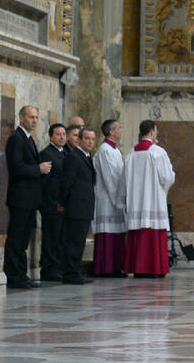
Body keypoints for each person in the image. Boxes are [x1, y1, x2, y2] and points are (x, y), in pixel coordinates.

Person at [4, 105, 51, 289]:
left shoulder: (28, 139)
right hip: (20, 198)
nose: (34, 121)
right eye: (31, 117)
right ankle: (14, 276)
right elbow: (16, 166)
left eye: (36, 117)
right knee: (16, 238)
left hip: (30, 199)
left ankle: (21, 275)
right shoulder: (16, 138)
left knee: (23, 239)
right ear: (21, 118)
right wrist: (38, 169)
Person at [124, 120, 176, 277]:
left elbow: (125, 179)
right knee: (153, 233)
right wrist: (165, 187)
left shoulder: (131, 153)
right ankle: (154, 269)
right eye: (156, 131)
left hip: (136, 202)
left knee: (138, 233)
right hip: (153, 200)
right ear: (152, 132)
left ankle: (138, 269)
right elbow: (167, 178)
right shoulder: (158, 152)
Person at [59, 126, 96, 284]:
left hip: (84, 207)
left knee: (79, 241)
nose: (90, 142)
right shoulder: (74, 156)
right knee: (73, 241)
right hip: (76, 207)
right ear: (79, 140)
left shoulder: (87, 156)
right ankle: (70, 272)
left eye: (93, 139)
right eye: (87, 138)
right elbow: (67, 182)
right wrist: (63, 202)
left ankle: (75, 270)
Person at [93, 119, 128, 277]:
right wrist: (119, 199)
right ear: (111, 132)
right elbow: (110, 178)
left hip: (116, 198)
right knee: (108, 234)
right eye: (119, 128)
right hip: (108, 199)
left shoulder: (115, 150)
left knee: (117, 235)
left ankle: (116, 267)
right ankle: (107, 268)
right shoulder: (105, 151)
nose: (121, 130)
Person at [38, 123, 69, 282]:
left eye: (64, 134)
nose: (62, 137)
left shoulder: (65, 153)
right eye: (58, 134)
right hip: (52, 203)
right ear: (51, 137)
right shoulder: (47, 154)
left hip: (64, 203)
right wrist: (53, 202)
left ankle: (59, 267)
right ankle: (49, 269)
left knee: (61, 238)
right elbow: (47, 183)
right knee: (51, 237)